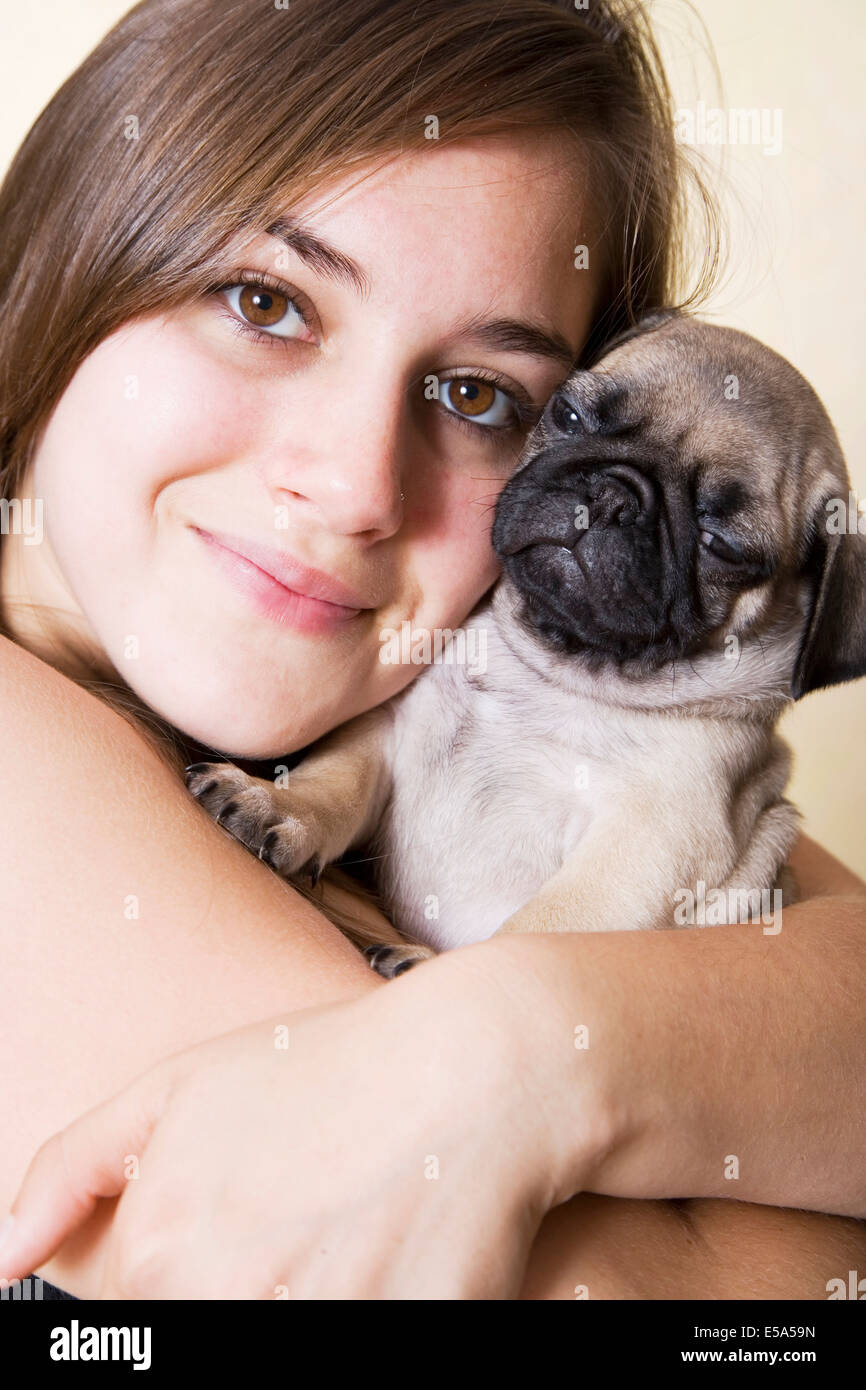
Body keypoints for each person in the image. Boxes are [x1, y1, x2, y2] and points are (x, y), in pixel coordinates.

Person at [0, 0, 863, 1300]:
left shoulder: (486, 687)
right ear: (65, 253)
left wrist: (521, 1045)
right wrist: (584, 1048)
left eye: (477, 396)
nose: (354, 484)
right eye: (264, 300)